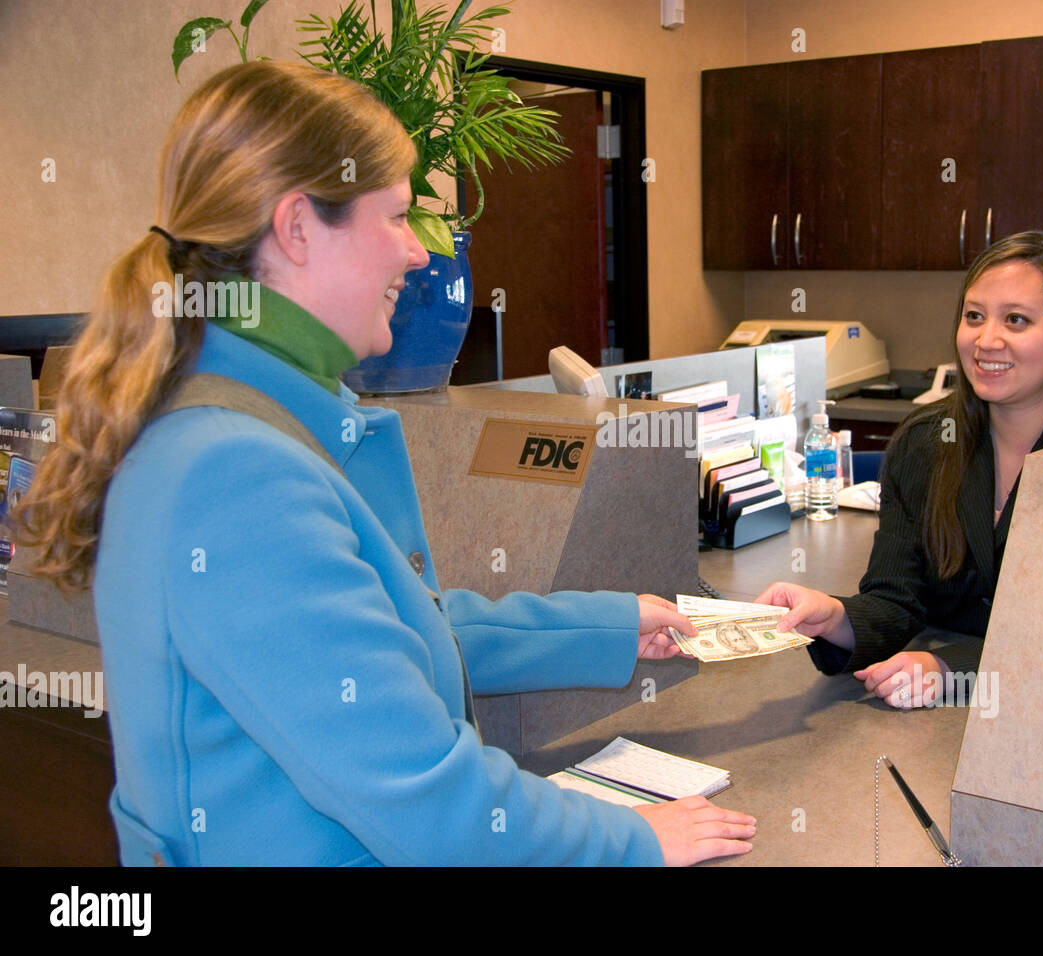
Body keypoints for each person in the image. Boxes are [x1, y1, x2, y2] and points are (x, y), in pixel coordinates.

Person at [13, 60, 754, 866]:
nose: (415, 254)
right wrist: (629, 839)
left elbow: (396, 633)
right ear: (297, 227)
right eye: (398, 217)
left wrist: (609, 625)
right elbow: (427, 800)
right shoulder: (233, 473)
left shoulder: (245, 423)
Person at [756, 231, 1043, 710]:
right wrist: (835, 617)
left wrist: (953, 668)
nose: (986, 340)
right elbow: (896, 602)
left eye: (1016, 319)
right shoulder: (924, 442)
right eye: (974, 316)